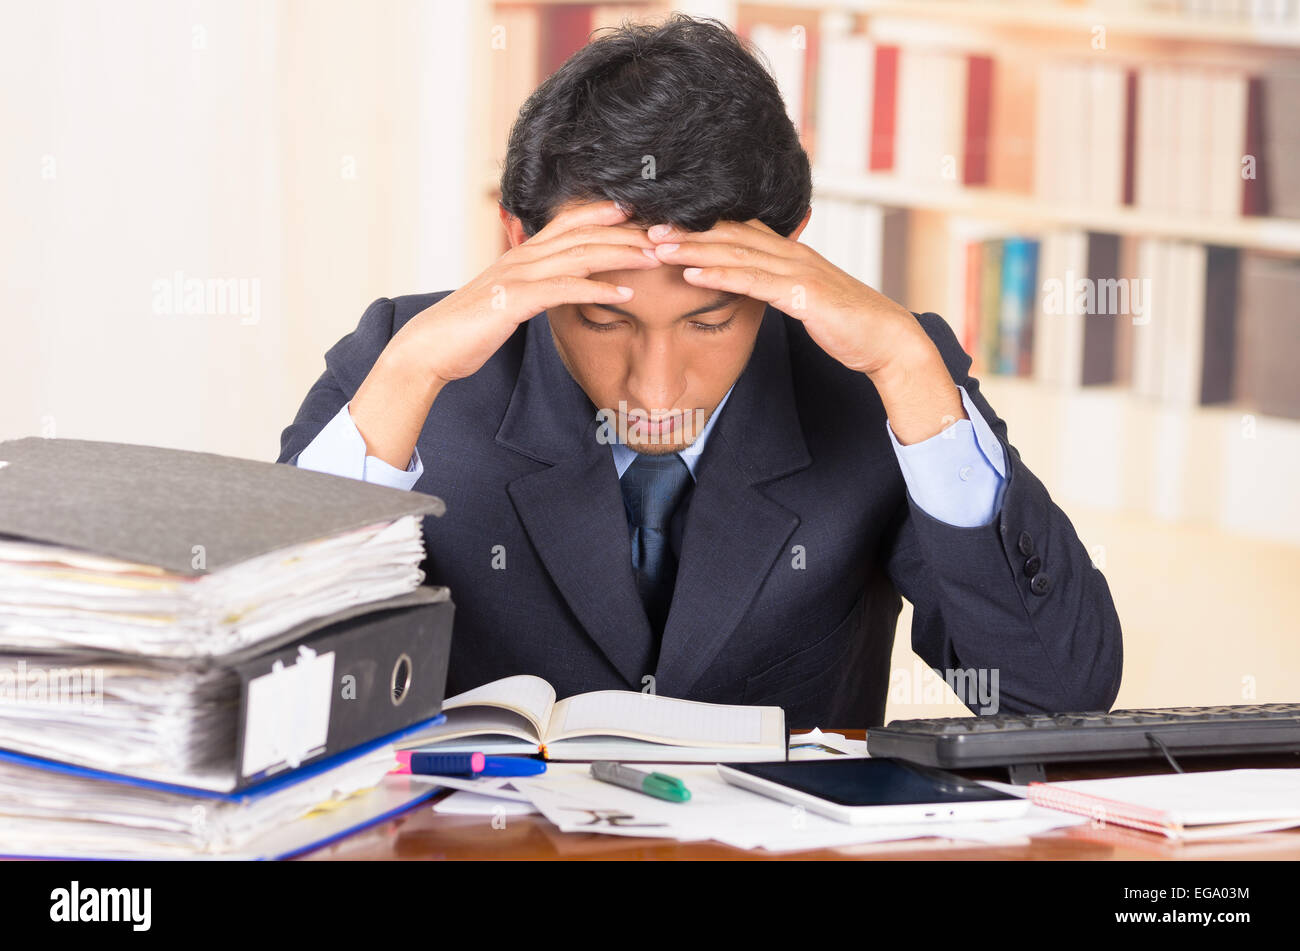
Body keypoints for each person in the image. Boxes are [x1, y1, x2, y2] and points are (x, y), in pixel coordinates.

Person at [278, 15, 1122, 727]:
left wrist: (910, 368)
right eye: (603, 317)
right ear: (518, 243)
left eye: (710, 319)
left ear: (787, 254)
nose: (654, 388)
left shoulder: (882, 379)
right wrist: (410, 376)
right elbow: (268, 691)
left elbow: (1057, 699)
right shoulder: (406, 355)